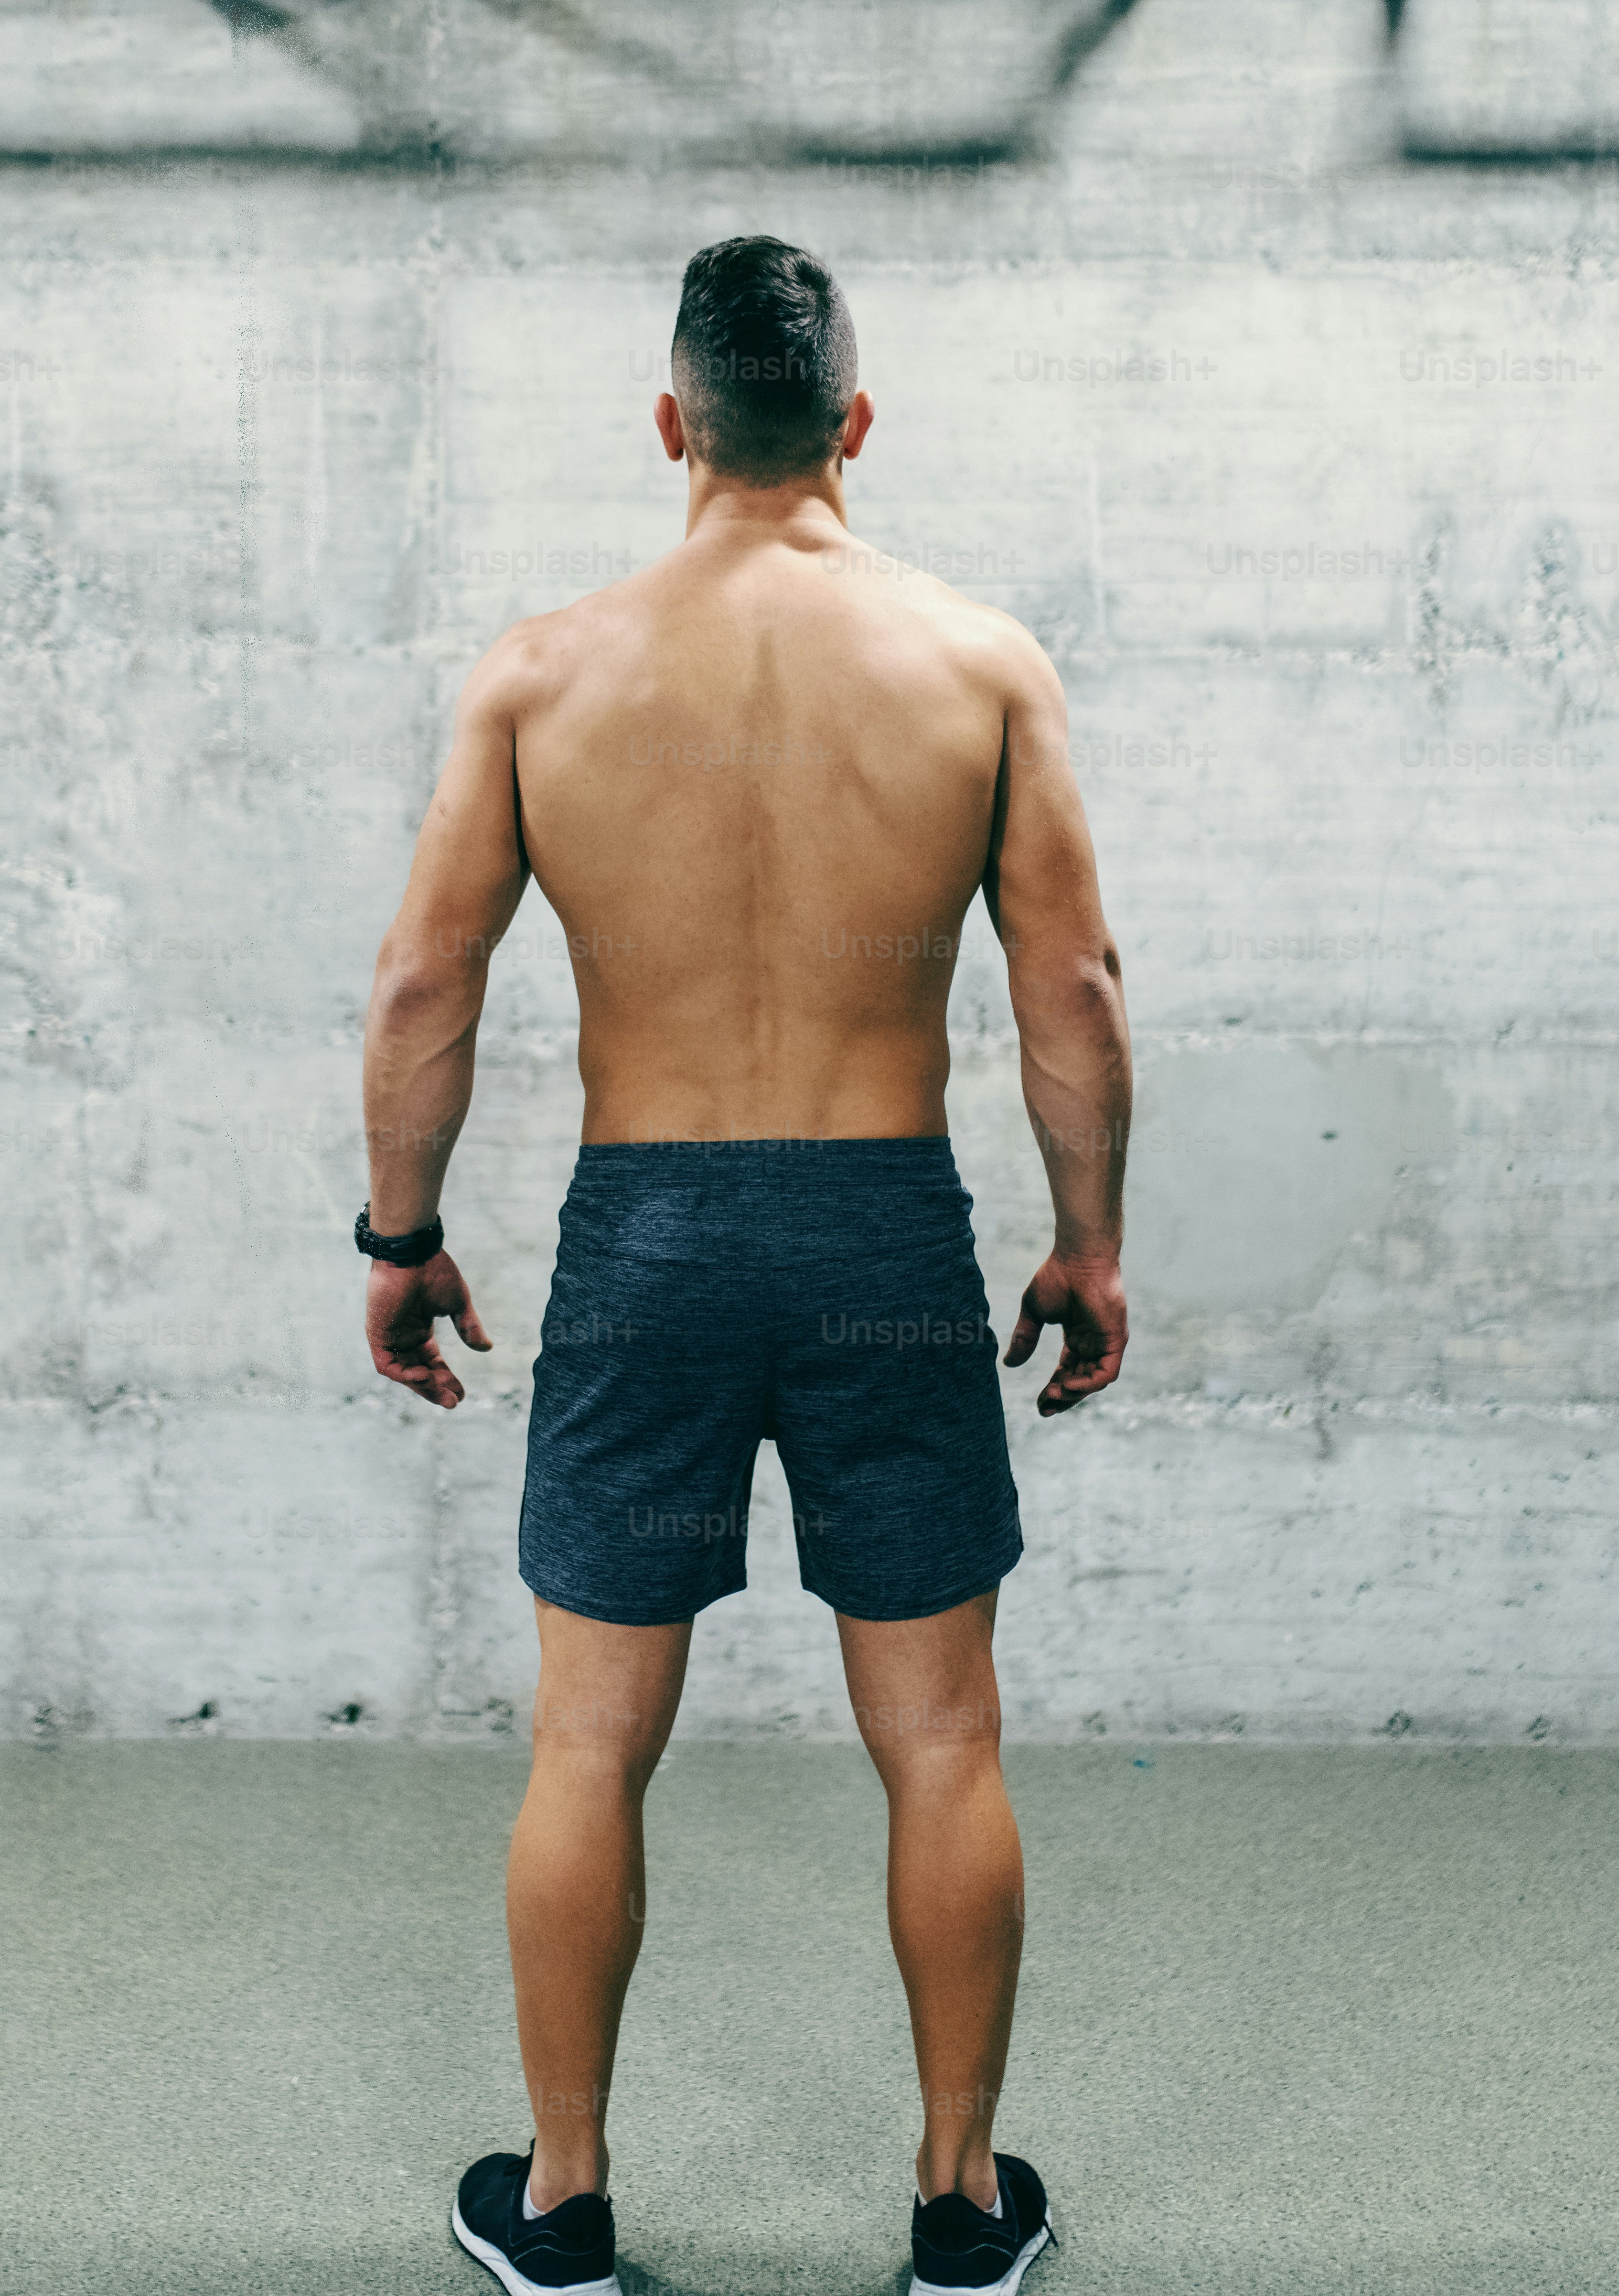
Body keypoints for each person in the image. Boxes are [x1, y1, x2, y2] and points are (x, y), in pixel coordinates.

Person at [356, 236, 1133, 2296]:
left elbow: (426, 977)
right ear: (854, 424)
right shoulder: (978, 667)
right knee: (942, 1738)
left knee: (587, 1739)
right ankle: (959, 2207)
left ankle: (562, 2203)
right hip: (883, 1228)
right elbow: (1070, 982)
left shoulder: (541, 675)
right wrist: (1087, 1243)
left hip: (652, 1236)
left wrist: (401, 1234)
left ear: (671, 424)